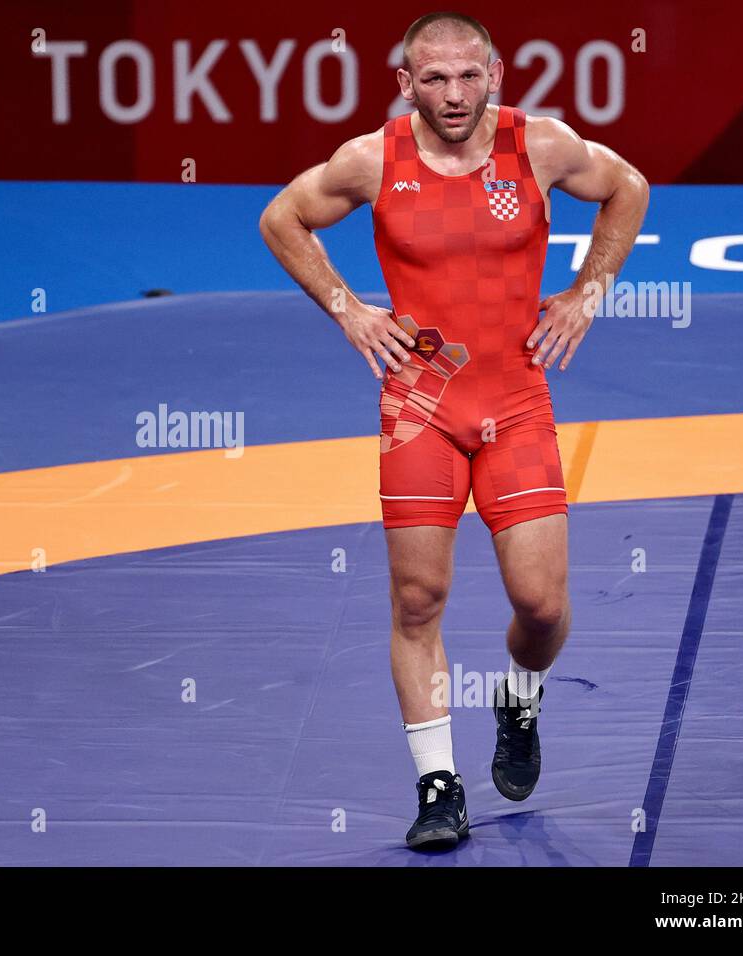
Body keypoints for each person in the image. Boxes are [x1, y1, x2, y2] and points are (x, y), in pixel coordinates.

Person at [259, 12, 649, 850]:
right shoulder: (372, 160)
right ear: (406, 85)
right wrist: (347, 309)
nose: (453, 94)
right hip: (419, 409)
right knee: (416, 599)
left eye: (467, 76)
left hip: (514, 402)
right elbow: (282, 218)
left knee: (540, 607)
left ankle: (519, 695)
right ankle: (440, 785)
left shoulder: (540, 147)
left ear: (496, 74)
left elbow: (630, 189)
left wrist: (589, 289)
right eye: (432, 79)